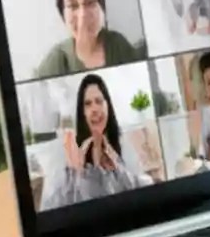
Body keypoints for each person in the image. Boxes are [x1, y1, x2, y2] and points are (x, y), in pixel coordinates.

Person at [39, 74, 146, 210]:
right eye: (88, 104)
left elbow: (143, 189)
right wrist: (73, 173)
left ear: (108, 106)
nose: (94, 109)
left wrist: (118, 167)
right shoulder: (68, 152)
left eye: (99, 101)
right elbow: (49, 208)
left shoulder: (123, 143)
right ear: (82, 112)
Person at [34, 0, 145, 80]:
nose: (83, 15)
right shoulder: (57, 62)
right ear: (62, 13)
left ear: (101, 5)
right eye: (73, 6)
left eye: (90, 2)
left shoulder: (117, 45)